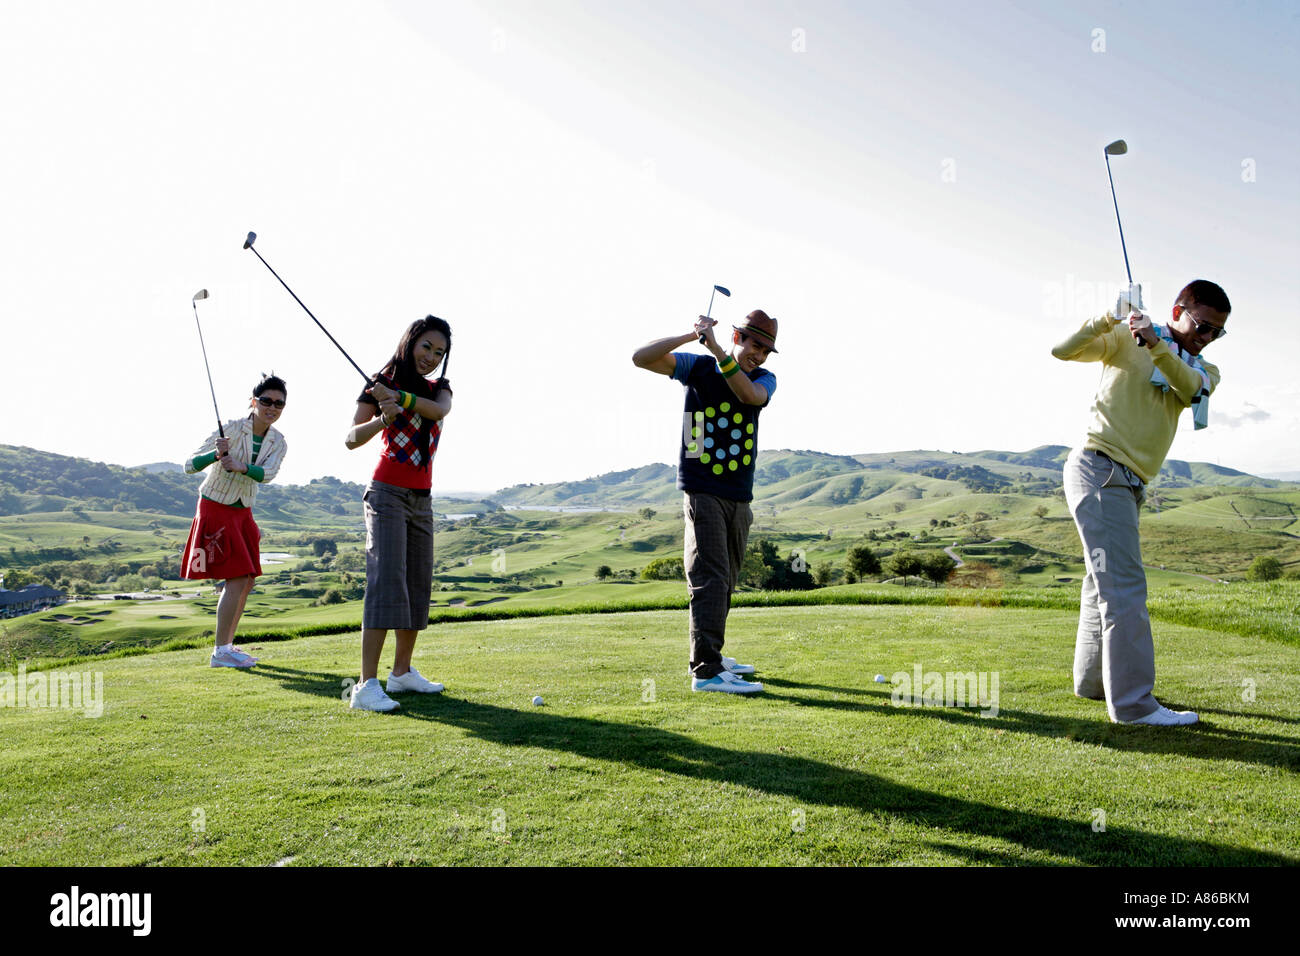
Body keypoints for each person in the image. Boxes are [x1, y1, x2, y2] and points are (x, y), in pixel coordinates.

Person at [1052, 279, 1230, 725]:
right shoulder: (1123, 337)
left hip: (1128, 482)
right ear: (1178, 311)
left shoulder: (1204, 368)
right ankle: (1133, 706)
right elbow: (1063, 351)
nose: (1208, 337)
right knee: (1125, 590)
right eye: (1203, 326)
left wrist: (1156, 344)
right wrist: (1108, 317)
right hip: (1099, 469)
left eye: (1217, 331)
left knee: (1102, 582)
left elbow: (1190, 389)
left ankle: (1093, 683)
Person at [632, 309, 779, 694]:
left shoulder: (763, 379)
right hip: (702, 488)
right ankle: (706, 670)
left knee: (725, 580)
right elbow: (641, 358)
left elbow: (748, 396)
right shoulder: (696, 368)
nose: (760, 355)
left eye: (766, 350)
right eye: (755, 345)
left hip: (739, 494)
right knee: (709, 578)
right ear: (737, 337)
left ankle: (712, 654)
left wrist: (718, 351)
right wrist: (692, 336)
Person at [345, 316, 453, 711]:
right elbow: (351, 438)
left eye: (439, 352)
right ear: (411, 342)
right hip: (387, 494)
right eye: (427, 347)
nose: (432, 357)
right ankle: (365, 686)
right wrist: (382, 418)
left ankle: (402, 673)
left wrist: (400, 399)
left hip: (422, 498)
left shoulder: (439, 389)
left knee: (416, 583)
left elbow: (437, 411)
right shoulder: (379, 384)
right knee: (386, 582)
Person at [181, 374, 289, 668]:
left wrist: (241, 466)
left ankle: (226, 646)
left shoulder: (279, 442)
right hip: (216, 505)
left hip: (243, 510)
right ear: (253, 402)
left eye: (279, 404)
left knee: (247, 579)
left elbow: (268, 474)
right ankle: (221, 652)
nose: (272, 407)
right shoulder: (230, 428)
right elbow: (189, 465)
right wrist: (215, 455)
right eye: (266, 401)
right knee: (238, 577)